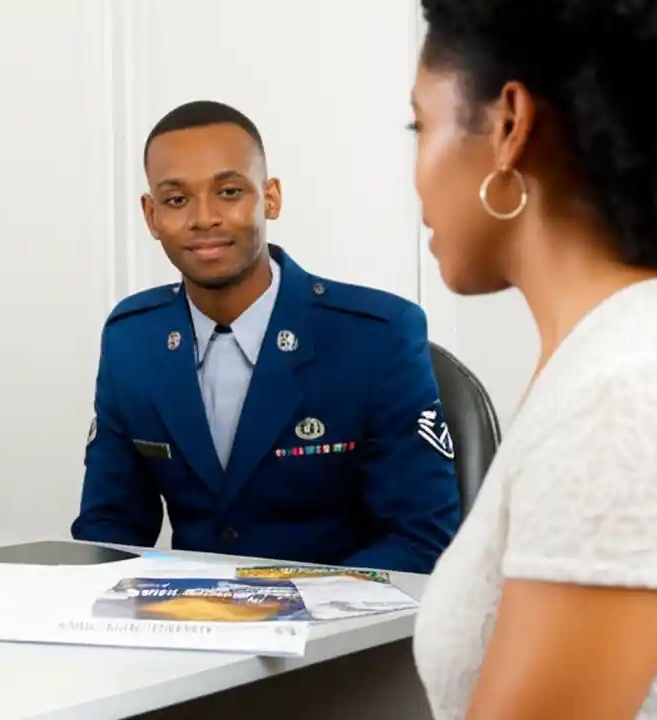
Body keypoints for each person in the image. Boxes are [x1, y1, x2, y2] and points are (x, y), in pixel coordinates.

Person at [409, 2, 657, 717]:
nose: (414, 175)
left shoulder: (626, 391)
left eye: (421, 126)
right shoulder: (608, 355)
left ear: (507, 126)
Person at [72, 100, 460, 573]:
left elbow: (421, 539)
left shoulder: (376, 336)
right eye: (176, 200)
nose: (204, 218)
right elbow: (108, 531)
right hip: (193, 627)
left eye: (230, 192)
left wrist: (278, 607)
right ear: (151, 215)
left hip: (345, 632)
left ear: (270, 198)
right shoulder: (132, 339)